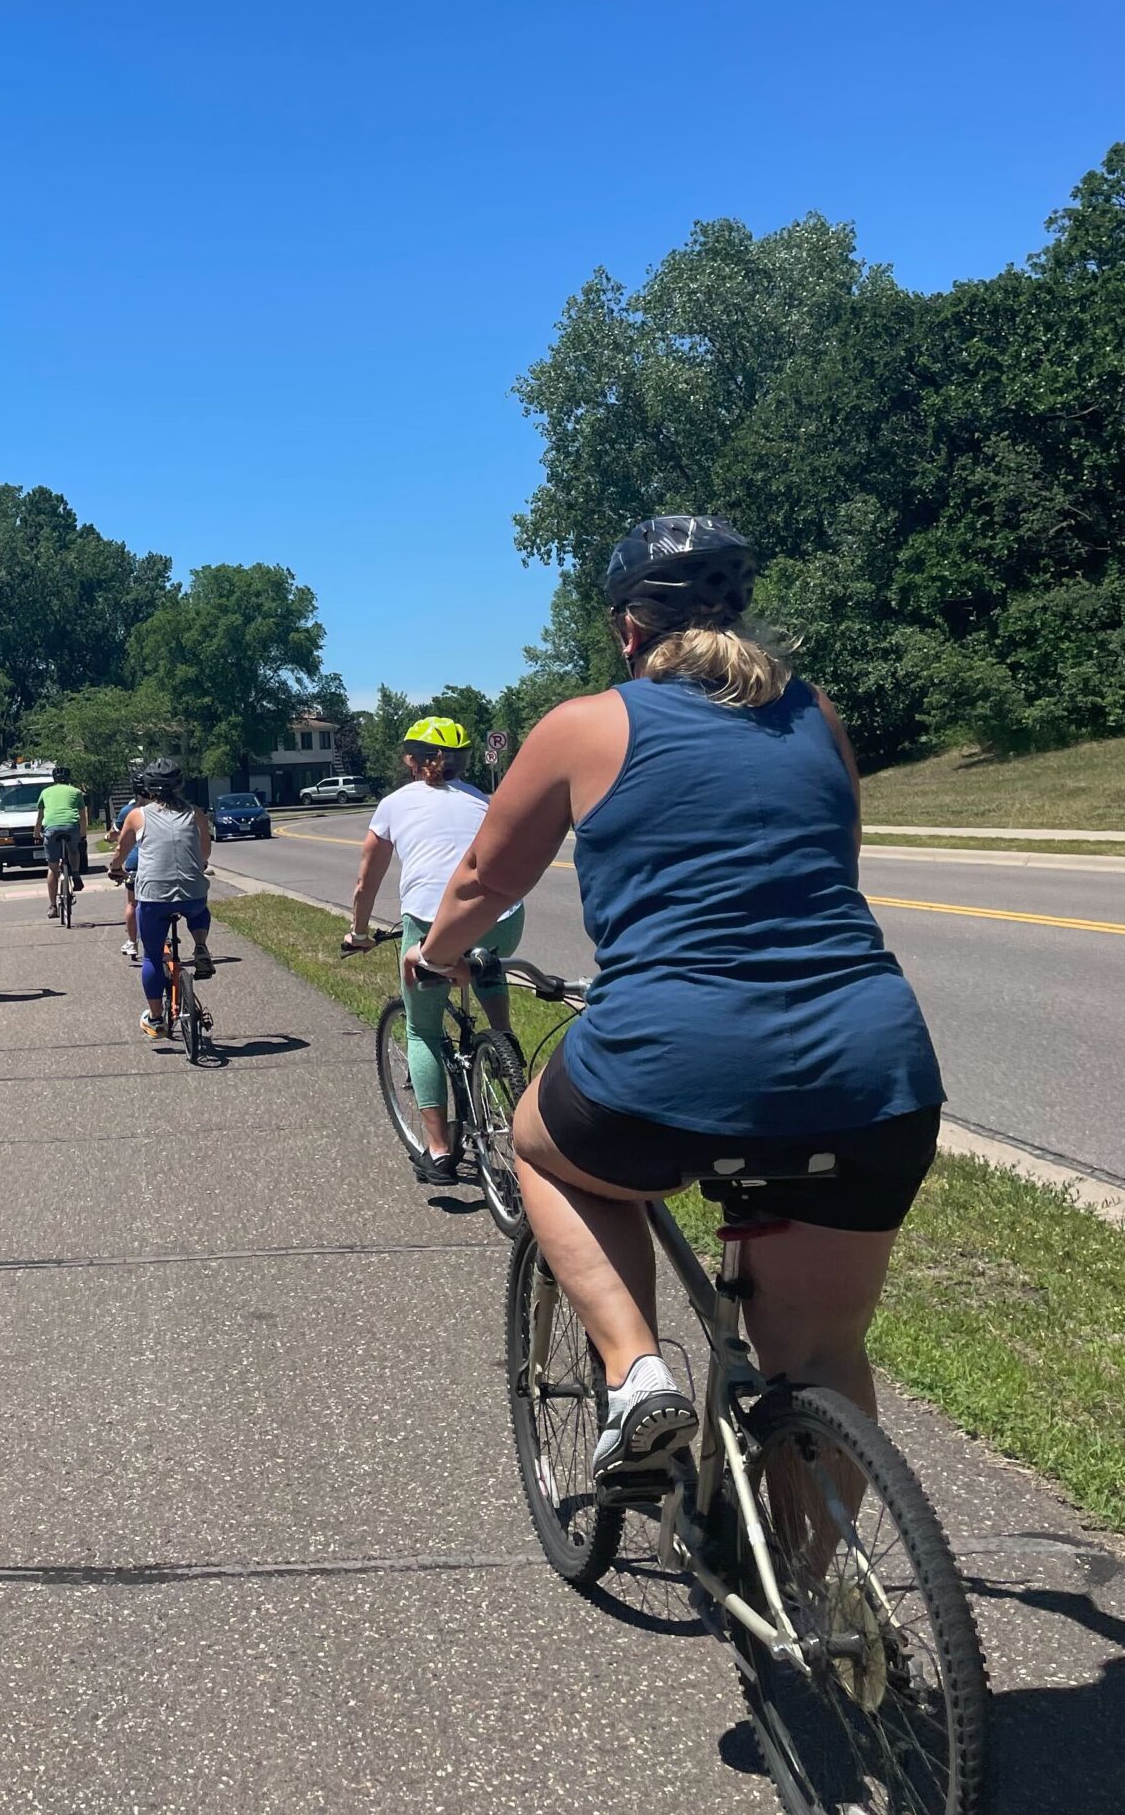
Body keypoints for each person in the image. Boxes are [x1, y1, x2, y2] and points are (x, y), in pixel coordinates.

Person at [409, 515, 942, 1490]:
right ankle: (818, 1627)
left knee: (538, 1141)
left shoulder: (586, 723)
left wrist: (436, 959)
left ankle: (633, 1369)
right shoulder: (815, 714)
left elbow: (486, 879)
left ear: (626, 628)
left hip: (670, 1058)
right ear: (740, 612)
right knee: (819, 1358)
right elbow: (832, 864)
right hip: (871, 1066)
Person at [340, 716, 526, 1185]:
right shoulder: (483, 799)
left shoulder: (393, 804)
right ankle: (504, 1044)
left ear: (410, 759)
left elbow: (367, 880)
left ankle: (439, 1151)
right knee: (485, 962)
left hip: (433, 922)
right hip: (505, 920)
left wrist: (358, 932)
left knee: (422, 1030)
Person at [107, 759, 214, 1038]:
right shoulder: (195, 813)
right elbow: (205, 850)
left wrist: (115, 868)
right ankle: (201, 946)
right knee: (198, 905)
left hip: (154, 896)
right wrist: (198, 866)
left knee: (152, 957)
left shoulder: (137, 815)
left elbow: (122, 850)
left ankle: (156, 1019)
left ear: (148, 787)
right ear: (179, 785)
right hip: (192, 892)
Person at [37, 765, 88, 917]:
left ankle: (53, 906)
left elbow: (40, 816)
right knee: (74, 850)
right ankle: (76, 874)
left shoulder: (45, 792)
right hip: (71, 826)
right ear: (69, 779)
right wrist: (83, 834)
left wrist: (36, 833)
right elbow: (82, 815)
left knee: (52, 868)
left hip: (51, 828)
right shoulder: (76, 792)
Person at [112, 783, 146, 963]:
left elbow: (118, 834)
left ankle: (133, 942)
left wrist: (114, 868)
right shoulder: (169, 809)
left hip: (135, 861)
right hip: (164, 863)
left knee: (133, 903)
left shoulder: (129, 811)